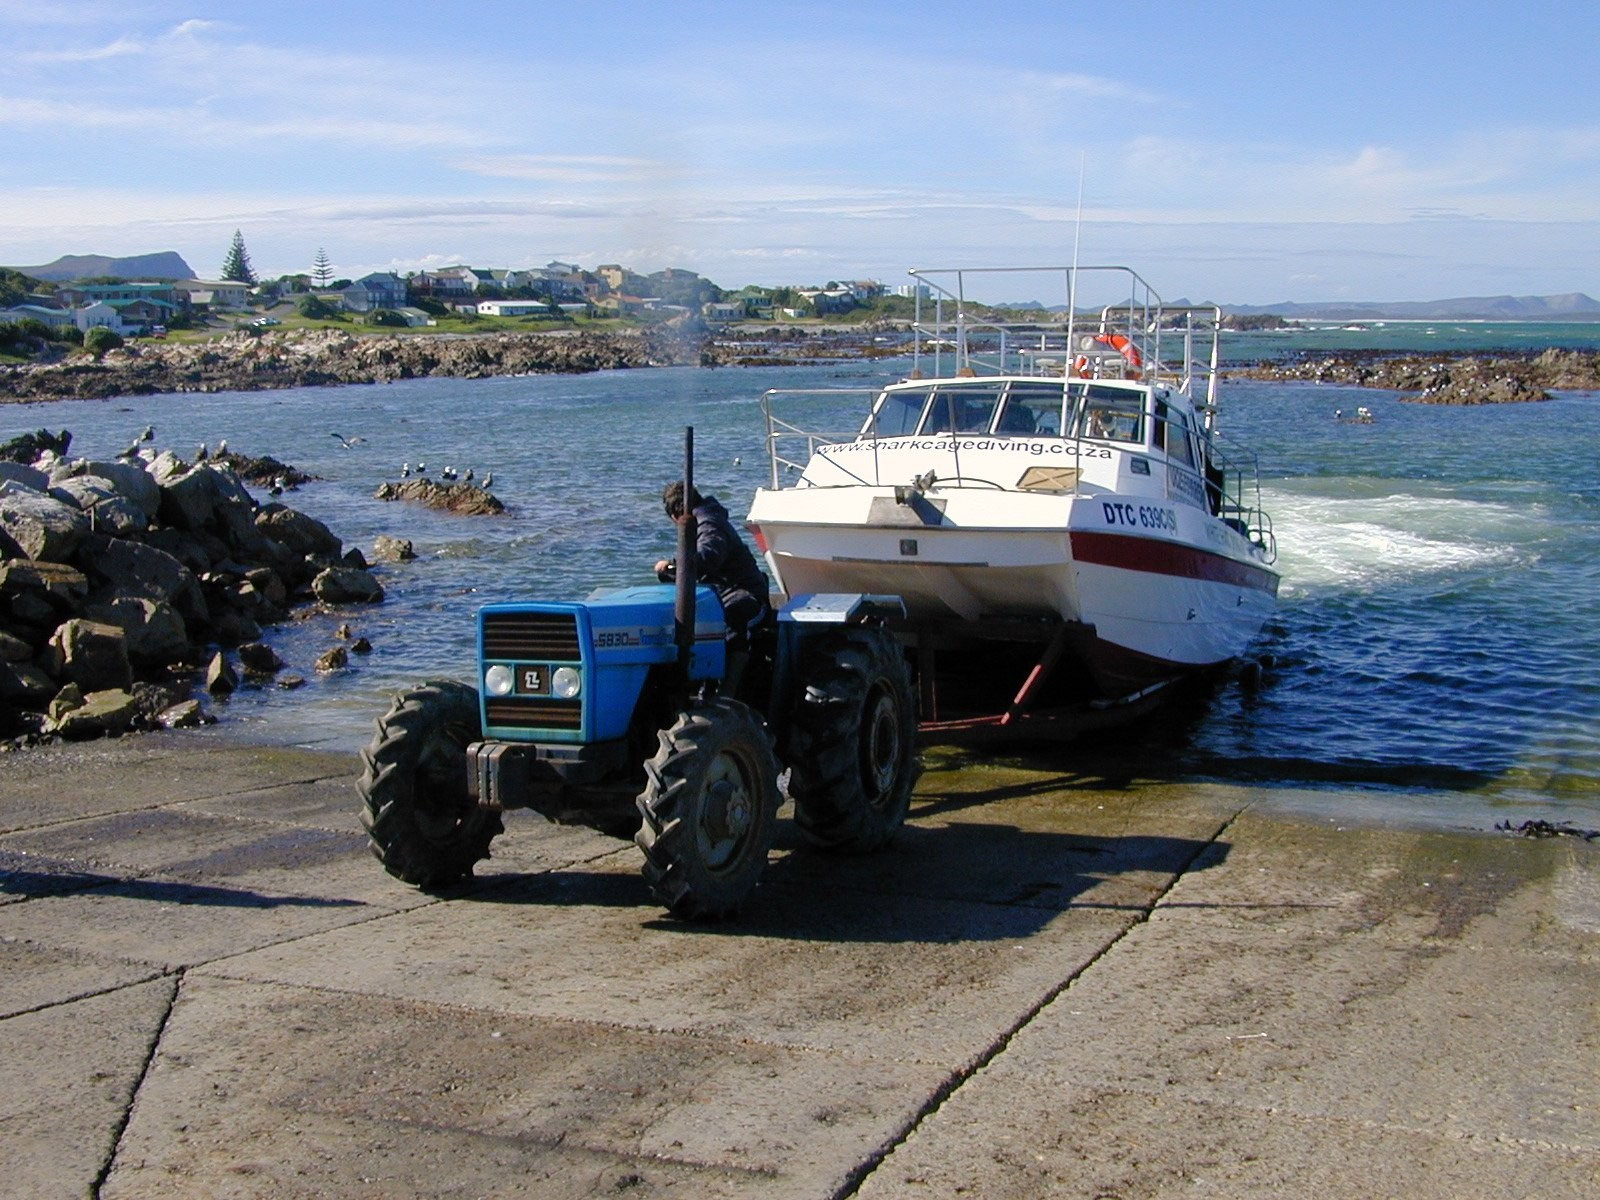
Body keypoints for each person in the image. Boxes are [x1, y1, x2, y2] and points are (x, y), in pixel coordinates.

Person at [655, 481, 771, 649]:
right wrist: (672, 572)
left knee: (730, 625)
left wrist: (671, 566)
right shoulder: (705, 520)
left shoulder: (709, 524)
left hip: (747, 593)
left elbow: (706, 559)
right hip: (725, 590)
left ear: (675, 516)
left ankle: (732, 674)